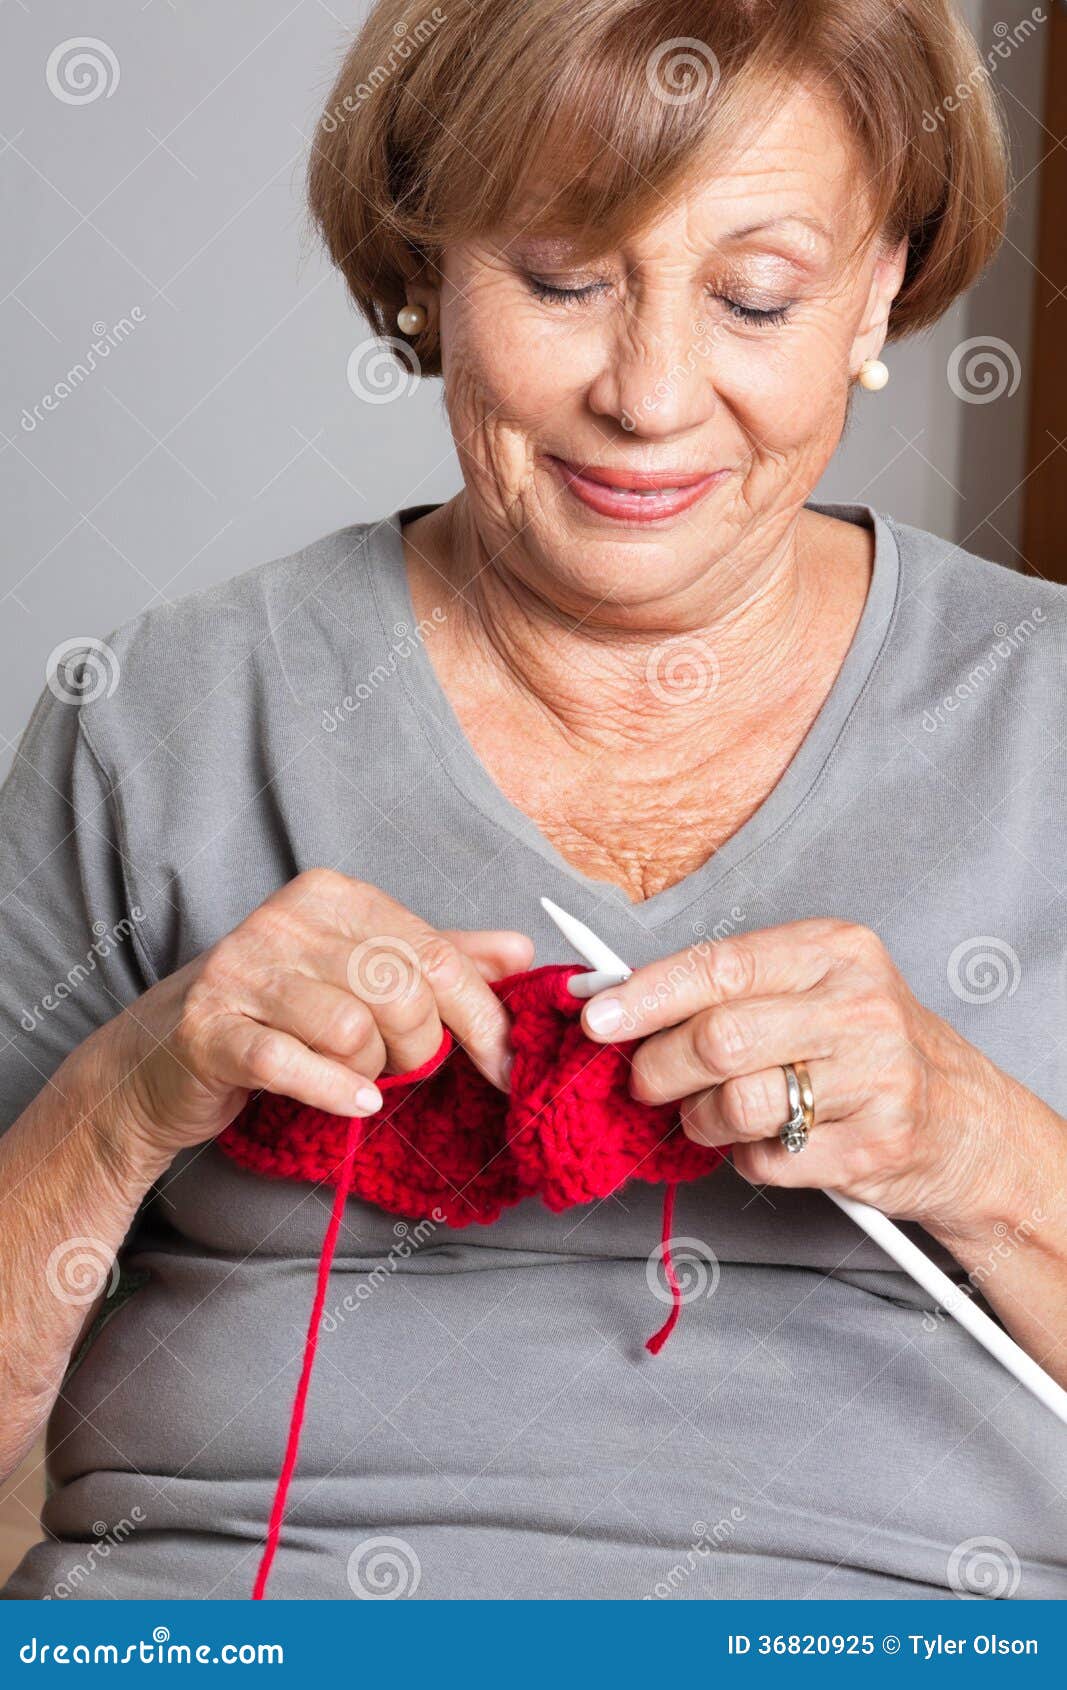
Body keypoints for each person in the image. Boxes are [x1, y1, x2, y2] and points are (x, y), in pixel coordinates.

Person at [2, 0, 1065, 1601]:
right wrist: (131, 1090)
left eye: (756, 297)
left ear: (883, 285)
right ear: (428, 266)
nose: (648, 394)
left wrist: (985, 1148)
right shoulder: (154, 715)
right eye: (564, 280)